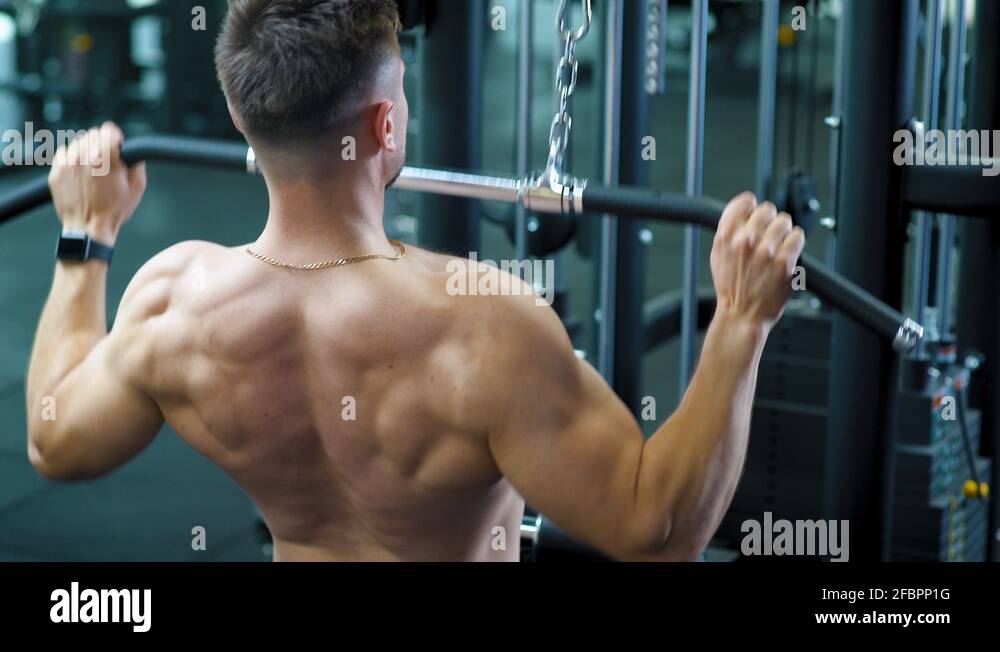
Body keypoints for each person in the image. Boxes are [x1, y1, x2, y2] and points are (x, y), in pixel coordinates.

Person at [26, 0, 805, 561]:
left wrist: (84, 234)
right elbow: (655, 529)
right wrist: (740, 322)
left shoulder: (172, 303)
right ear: (385, 125)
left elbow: (54, 442)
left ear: (240, 114)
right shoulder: (487, 328)